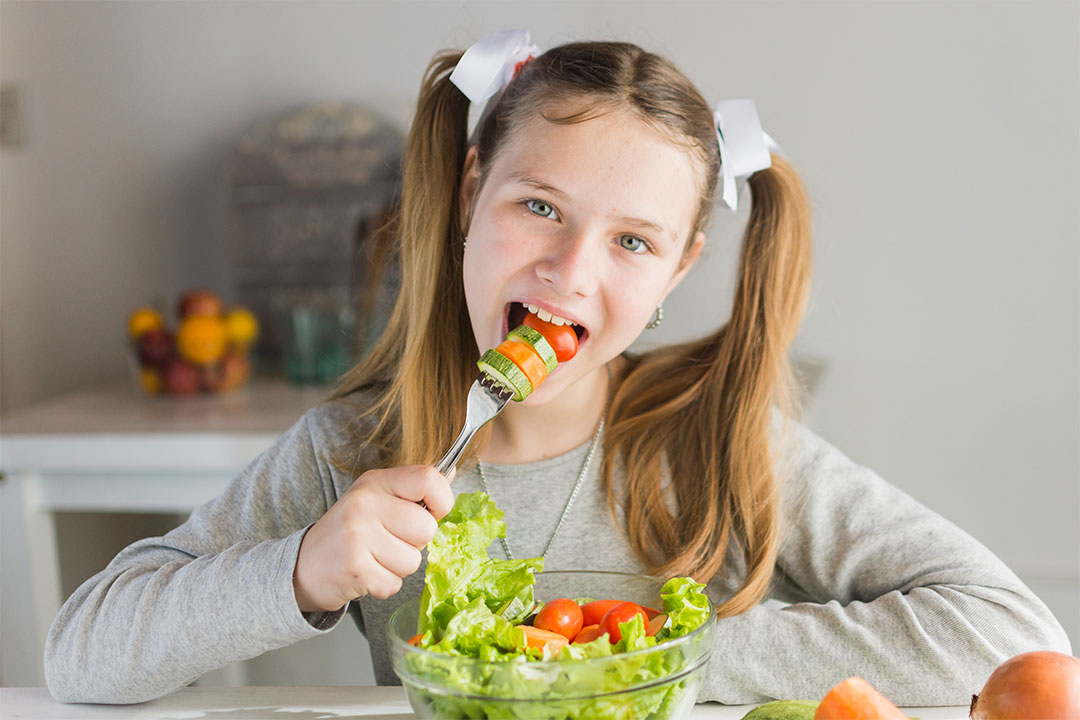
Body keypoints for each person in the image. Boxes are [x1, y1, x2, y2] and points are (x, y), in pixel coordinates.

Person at [45, 30, 1070, 707]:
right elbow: (80, 654)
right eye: (540, 207)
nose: (570, 272)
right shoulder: (353, 452)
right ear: (470, 194)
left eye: (632, 242)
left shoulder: (713, 446)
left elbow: (1012, 631)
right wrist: (302, 568)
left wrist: (652, 664)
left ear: (678, 267)